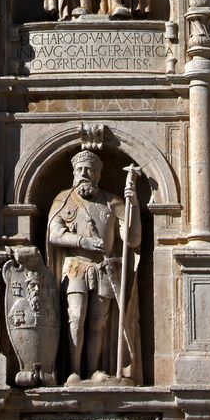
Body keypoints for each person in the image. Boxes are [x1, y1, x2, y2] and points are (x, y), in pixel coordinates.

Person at [46, 147, 140, 383]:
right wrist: (84, 241)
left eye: (89, 169)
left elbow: (133, 238)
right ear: (73, 173)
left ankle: (93, 370)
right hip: (76, 267)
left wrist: (134, 204)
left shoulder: (113, 202)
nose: (84, 173)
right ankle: (73, 371)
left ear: (98, 174)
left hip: (104, 269)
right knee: (76, 318)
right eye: (79, 169)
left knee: (99, 322)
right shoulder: (64, 199)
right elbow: (54, 235)